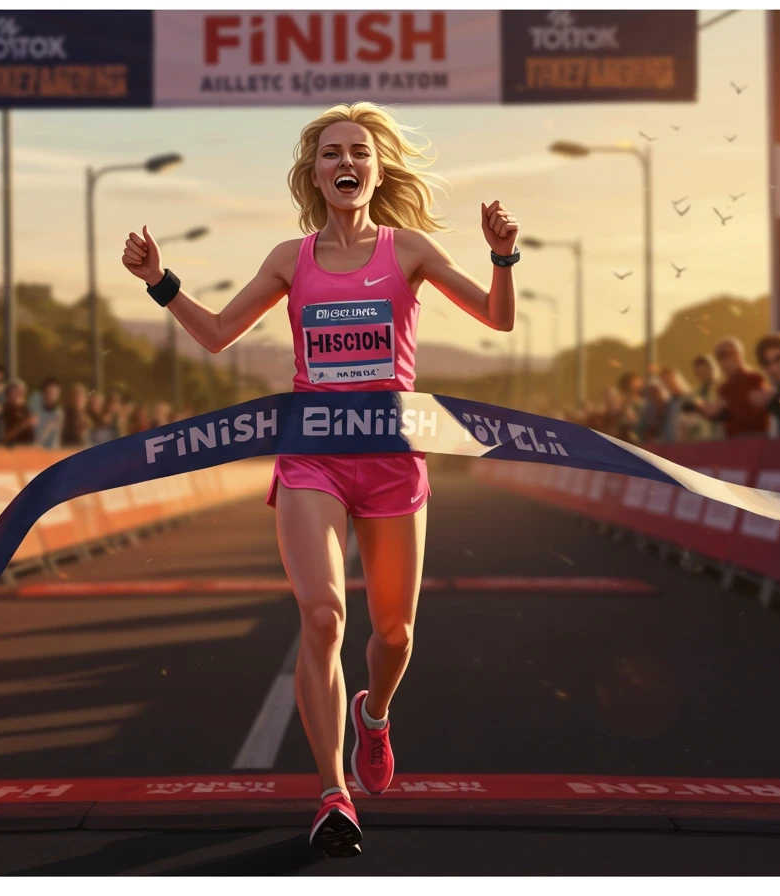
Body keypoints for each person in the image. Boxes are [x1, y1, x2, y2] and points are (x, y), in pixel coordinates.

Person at [122, 101, 519, 857]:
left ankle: (375, 716)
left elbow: (497, 322)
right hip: (313, 458)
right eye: (332, 151)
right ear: (315, 172)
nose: (346, 161)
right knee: (324, 616)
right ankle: (333, 793)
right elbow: (215, 336)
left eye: (359, 152)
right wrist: (160, 281)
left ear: (375, 170)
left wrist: (501, 257)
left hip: (393, 461)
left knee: (395, 634)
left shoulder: (409, 252)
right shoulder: (289, 258)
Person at [700, 337, 770, 437]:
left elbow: (753, 414)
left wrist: (726, 406)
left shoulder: (755, 379)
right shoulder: (723, 388)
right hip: (732, 445)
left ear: (737, 355)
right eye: (718, 357)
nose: (721, 361)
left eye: (724, 355)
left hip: (756, 442)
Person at [683, 353, 721, 440]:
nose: (701, 375)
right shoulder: (695, 394)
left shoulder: (722, 388)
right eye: (698, 373)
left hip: (720, 439)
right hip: (702, 439)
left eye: (704, 371)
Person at [29, 376, 64, 449]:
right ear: (43, 393)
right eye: (49, 391)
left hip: (50, 452)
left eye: (54, 392)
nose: (51, 394)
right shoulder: (35, 406)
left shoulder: (58, 413)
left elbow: (55, 441)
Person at [1, 378, 37, 446]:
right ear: (8, 393)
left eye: (23, 391)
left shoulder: (26, 409)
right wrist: (24, 424)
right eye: (17, 391)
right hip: (9, 451)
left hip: (27, 450)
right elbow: (3, 438)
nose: (20, 394)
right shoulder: (3, 410)